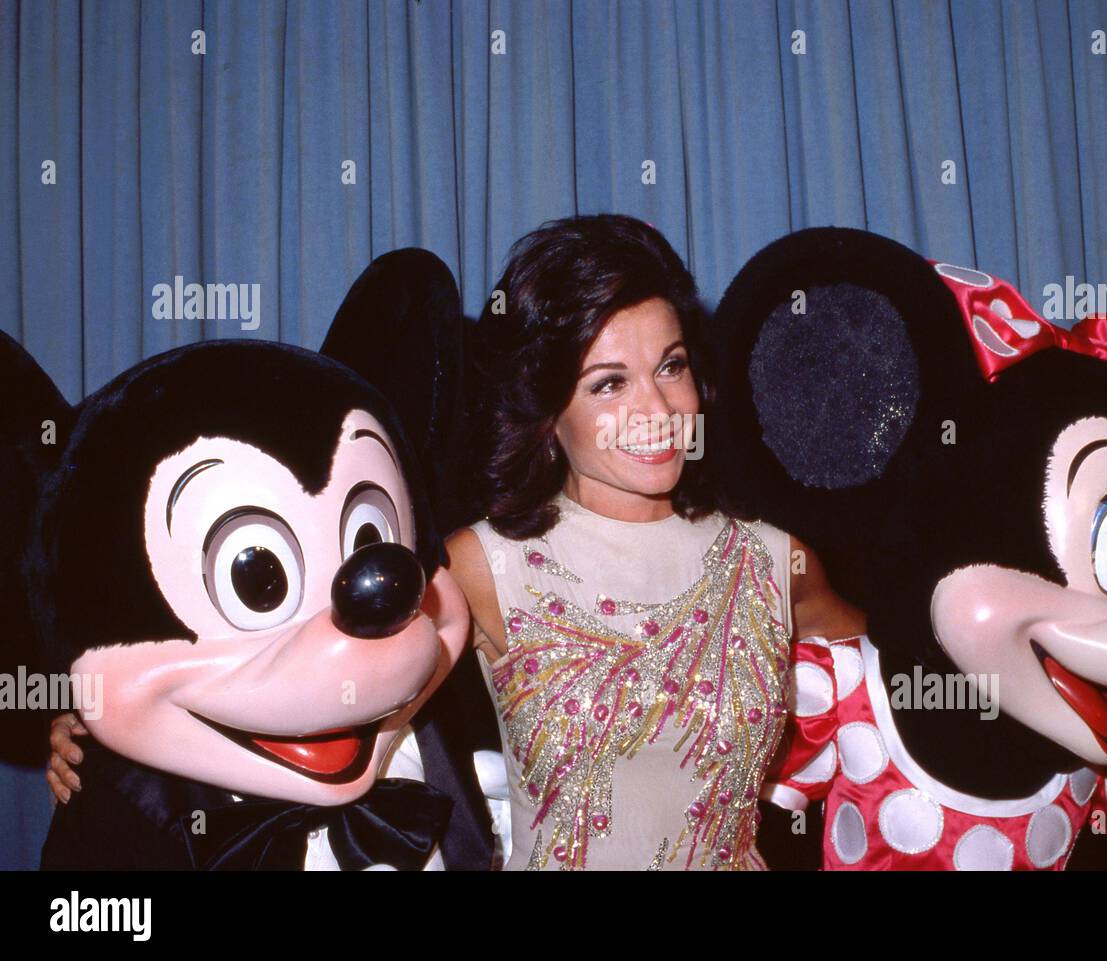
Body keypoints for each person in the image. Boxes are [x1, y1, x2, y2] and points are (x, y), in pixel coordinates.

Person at [49, 213, 864, 870]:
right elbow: (309, 701)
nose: (655, 407)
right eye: (608, 382)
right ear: (549, 411)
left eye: (672, 365)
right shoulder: (484, 566)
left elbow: (887, 711)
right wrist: (106, 738)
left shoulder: (775, 559)